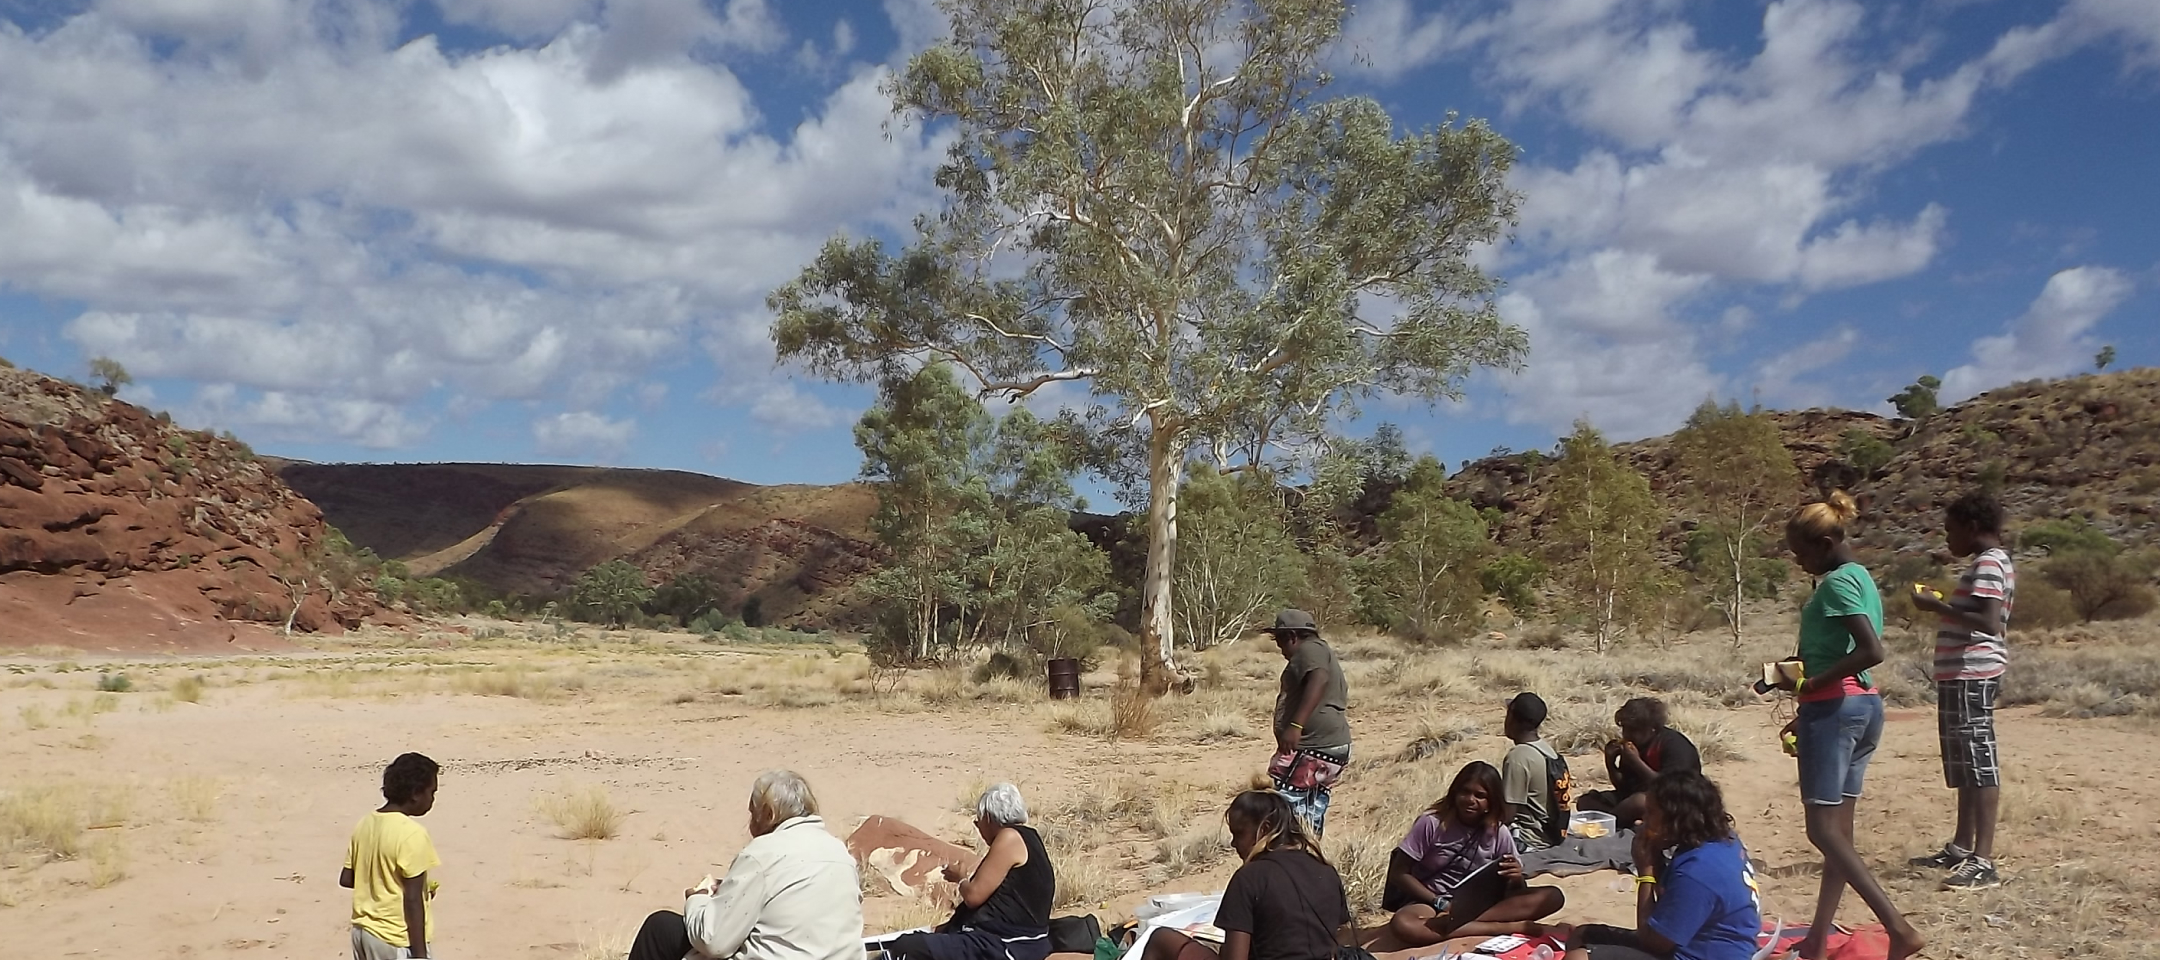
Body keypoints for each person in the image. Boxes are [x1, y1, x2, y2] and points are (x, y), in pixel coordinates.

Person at [1778, 492, 1922, 960]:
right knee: (1839, 835)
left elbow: (1870, 651)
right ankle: (1818, 939)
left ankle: (1898, 928)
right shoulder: (1860, 577)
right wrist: (1799, 688)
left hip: (1836, 711)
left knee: (1822, 831)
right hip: (1860, 708)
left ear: (1823, 543)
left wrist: (1813, 683)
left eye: (1801, 554)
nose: (1798, 563)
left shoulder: (1838, 584)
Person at [627, 770, 863, 960]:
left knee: (659, 928)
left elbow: (714, 942)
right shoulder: (839, 852)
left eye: (753, 814)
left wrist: (697, 899)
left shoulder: (762, 854)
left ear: (768, 814)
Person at [1907, 491, 2014, 891]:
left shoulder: (1989, 562)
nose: (1948, 539)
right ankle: (1961, 847)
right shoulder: (1985, 563)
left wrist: (1935, 607)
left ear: (1972, 528)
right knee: (1965, 762)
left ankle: (1983, 861)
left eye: (1951, 531)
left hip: (1974, 672)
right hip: (1960, 673)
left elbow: (1988, 622)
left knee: (1979, 760)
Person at [1562, 771, 1762, 960]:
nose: (1642, 821)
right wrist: (1656, 859)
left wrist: (1646, 872)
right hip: (1699, 942)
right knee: (1584, 934)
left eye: (1651, 814)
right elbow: (1672, 901)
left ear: (1676, 819)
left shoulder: (1698, 871)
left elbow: (1654, 942)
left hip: (1700, 955)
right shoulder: (1720, 841)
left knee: (1578, 957)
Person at [1141, 790, 1348, 960]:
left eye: (1239, 834)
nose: (1233, 844)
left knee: (1162, 939)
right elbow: (1336, 942)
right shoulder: (1326, 870)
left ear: (1264, 829)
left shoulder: (1250, 878)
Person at [1384, 761, 1565, 946]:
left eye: (1480, 796)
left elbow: (1514, 888)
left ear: (1491, 802)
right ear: (1455, 793)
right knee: (1404, 924)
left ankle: (1460, 926)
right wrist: (1439, 902)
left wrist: (1516, 877)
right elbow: (1400, 873)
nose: (1470, 800)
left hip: (1478, 906)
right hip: (1431, 901)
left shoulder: (1498, 832)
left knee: (1553, 897)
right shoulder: (1431, 823)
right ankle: (1503, 927)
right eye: (1465, 792)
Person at [887, 783, 1054, 960]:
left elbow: (974, 896)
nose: (979, 829)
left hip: (1007, 943)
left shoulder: (1009, 838)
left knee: (908, 947)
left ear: (989, 818)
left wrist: (960, 878)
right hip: (1023, 938)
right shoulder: (1030, 836)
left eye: (978, 822)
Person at [342, 752, 441, 960]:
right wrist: (420, 955)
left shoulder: (365, 823)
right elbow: (412, 899)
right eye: (431, 792)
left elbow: (348, 878)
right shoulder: (412, 833)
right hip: (394, 937)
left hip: (363, 933)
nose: (432, 799)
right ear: (415, 793)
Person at [1267, 609, 1352, 838]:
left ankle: (1288, 861)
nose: (1280, 649)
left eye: (1280, 641)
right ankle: (1309, 858)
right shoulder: (1321, 650)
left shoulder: (1309, 649)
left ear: (1292, 636)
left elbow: (1319, 678)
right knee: (1310, 812)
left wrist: (1295, 726)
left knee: (1283, 808)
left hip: (1311, 744)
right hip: (1331, 745)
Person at [1579, 699, 1701, 831]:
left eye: (1633, 730)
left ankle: (1609, 824)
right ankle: (1623, 819)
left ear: (1652, 729)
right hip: (1636, 798)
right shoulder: (1634, 746)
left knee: (1639, 802)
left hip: (1678, 803)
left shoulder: (1675, 745)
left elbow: (1670, 789)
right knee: (1586, 802)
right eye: (1625, 729)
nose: (1627, 735)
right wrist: (1610, 762)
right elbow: (1624, 787)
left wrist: (1636, 762)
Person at [1500, 692, 1568, 852]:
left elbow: (1508, 815)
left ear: (1512, 719)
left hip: (1529, 838)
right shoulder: (1546, 750)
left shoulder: (1518, 757)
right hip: (1551, 833)